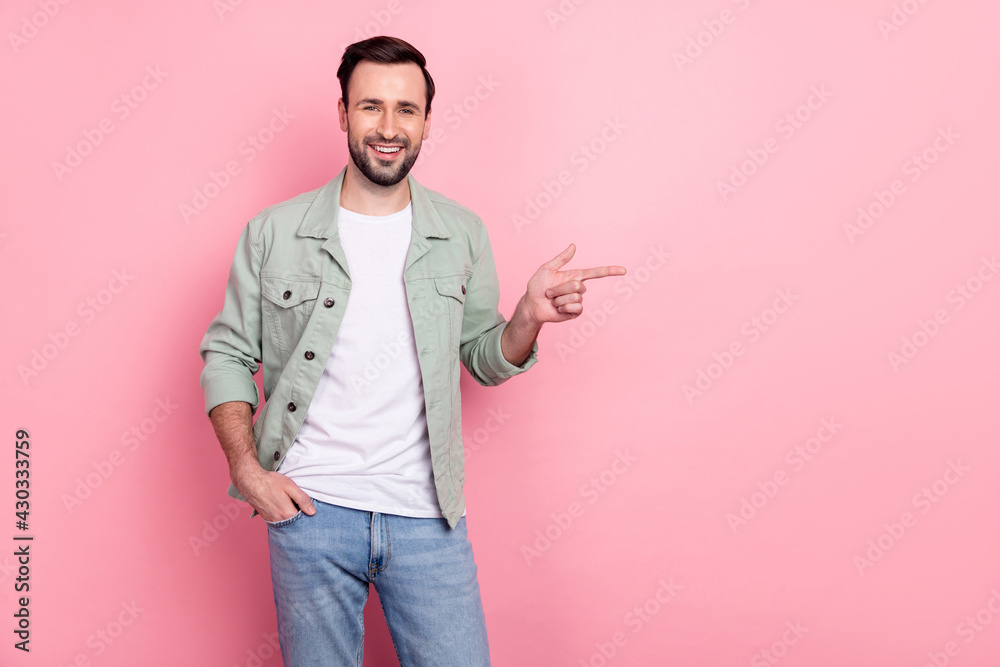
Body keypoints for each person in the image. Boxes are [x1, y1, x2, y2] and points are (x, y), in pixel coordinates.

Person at [198, 35, 626, 666]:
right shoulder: (274, 233)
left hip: (428, 515)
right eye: (371, 107)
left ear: (428, 118)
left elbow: (484, 356)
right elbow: (227, 354)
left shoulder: (460, 233)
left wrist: (528, 319)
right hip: (310, 513)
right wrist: (246, 470)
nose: (388, 127)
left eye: (407, 109)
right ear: (343, 114)